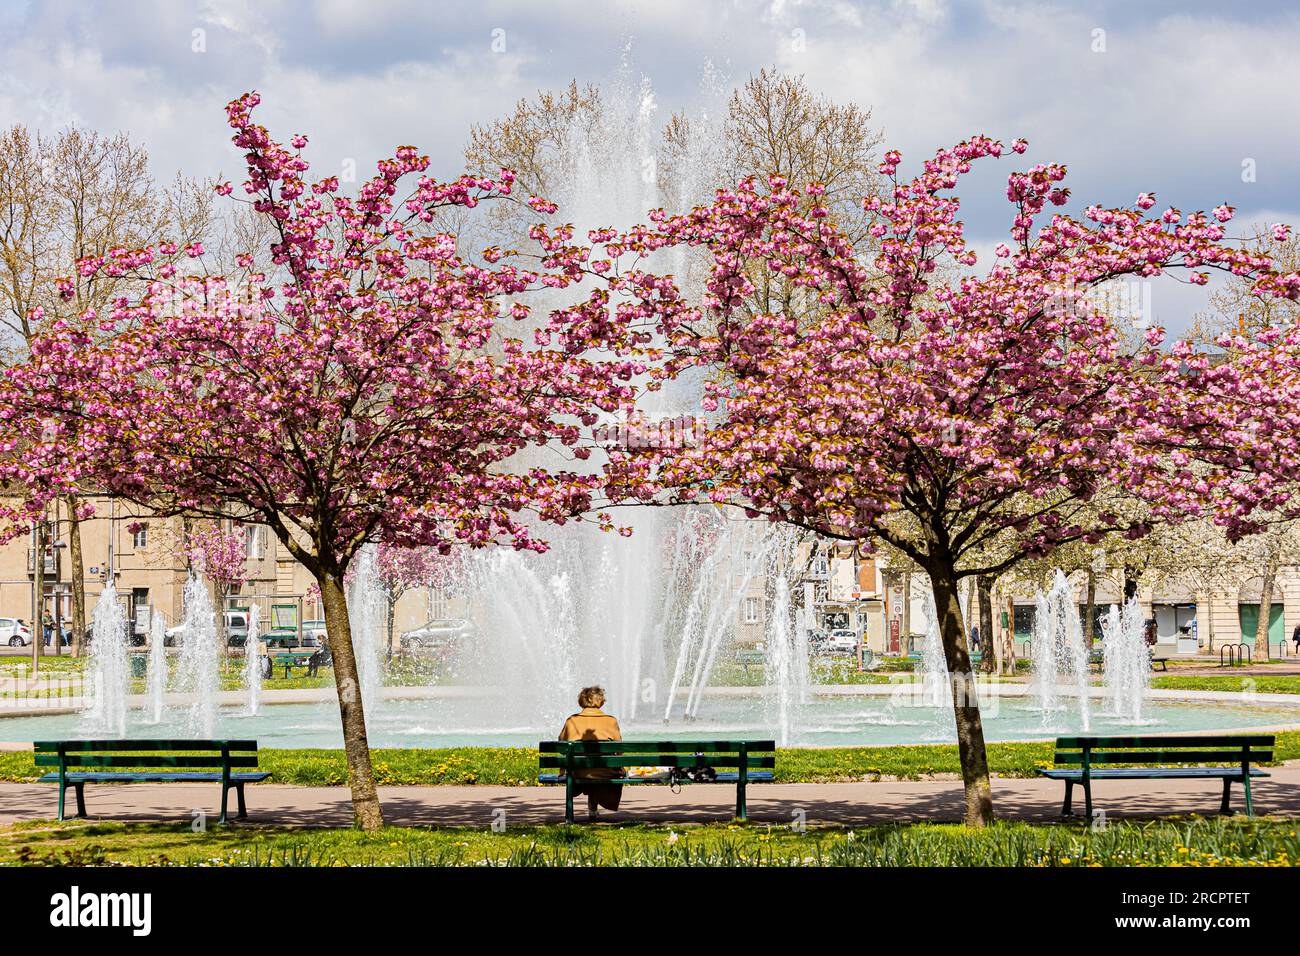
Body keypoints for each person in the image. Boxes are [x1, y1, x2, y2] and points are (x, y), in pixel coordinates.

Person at [559, 685, 624, 820]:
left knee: (588, 767)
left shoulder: (571, 721)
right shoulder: (610, 721)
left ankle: (578, 813)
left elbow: (561, 746)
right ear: (600, 700)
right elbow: (619, 749)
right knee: (602, 768)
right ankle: (593, 808)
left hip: (578, 771)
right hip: (605, 772)